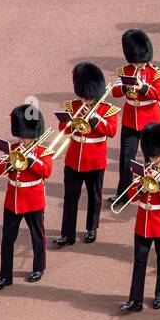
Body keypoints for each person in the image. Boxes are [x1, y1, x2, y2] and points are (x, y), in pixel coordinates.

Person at [54, 62, 119, 247]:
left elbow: (112, 131)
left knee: (94, 196)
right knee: (70, 197)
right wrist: (71, 124)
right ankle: (67, 234)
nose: (85, 101)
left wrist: (96, 118)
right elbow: (62, 128)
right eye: (83, 97)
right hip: (74, 159)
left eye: (88, 98)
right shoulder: (73, 105)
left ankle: (92, 228)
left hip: (95, 160)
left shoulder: (107, 110)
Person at [0, 105, 53, 290]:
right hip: (13, 200)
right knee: (7, 238)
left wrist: (32, 161)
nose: (23, 139)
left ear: (34, 134)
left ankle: (38, 268)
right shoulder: (13, 149)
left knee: (37, 235)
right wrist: (8, 163)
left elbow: (46, 172)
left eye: (26, 135)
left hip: (33, 199)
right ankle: (5, 275)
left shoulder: (43, 152)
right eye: (21, 135)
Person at [119, 122, 160, 312]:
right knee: (139, 261)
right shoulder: (143, 171)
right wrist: (141, 187)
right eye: (150, 156)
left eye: (156, 156)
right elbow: (131, 196)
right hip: (143, 222)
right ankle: (135, 299)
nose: (152, 159)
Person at [111, 29, 160, 199]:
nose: (137, 65)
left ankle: (151, 189)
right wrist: (125, 88)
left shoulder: (155, 73)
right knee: (126, 158)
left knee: (151, 157)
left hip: (150, 119)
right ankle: (124, 192)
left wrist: (143, 87)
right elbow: (115, 91)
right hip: (130, 119)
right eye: (134, 62)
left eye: (140, 62)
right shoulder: (126, 70)